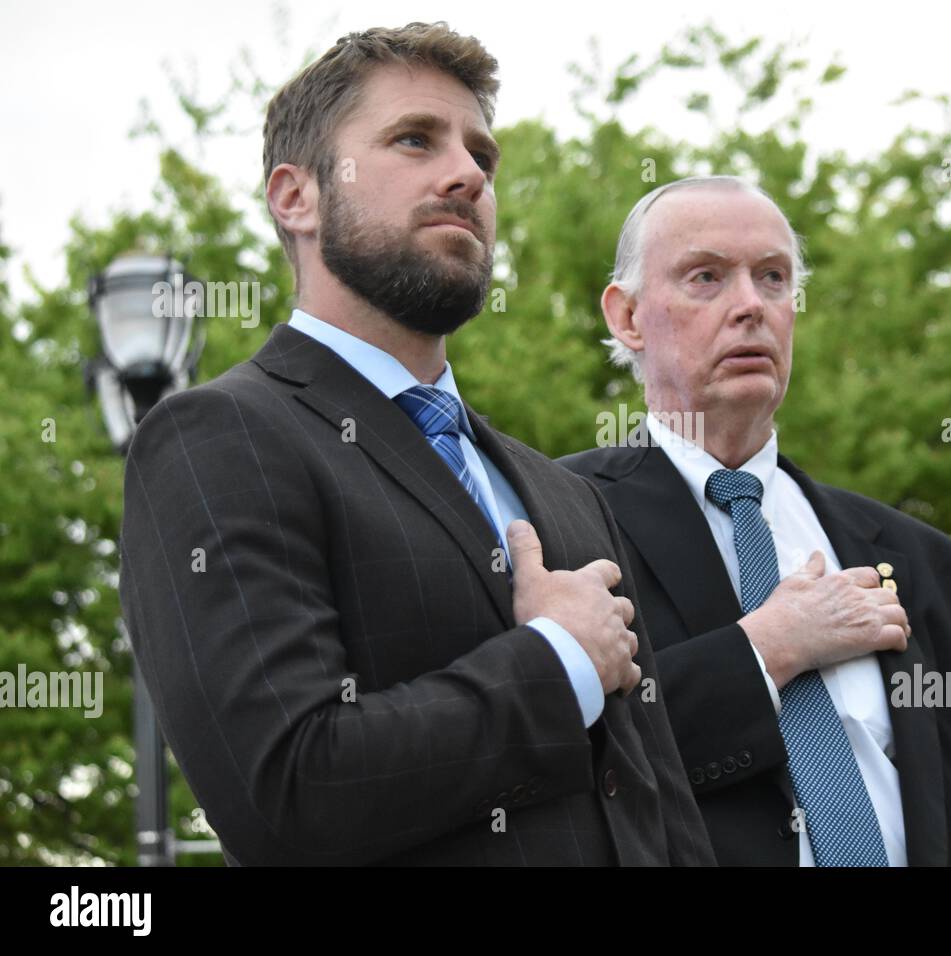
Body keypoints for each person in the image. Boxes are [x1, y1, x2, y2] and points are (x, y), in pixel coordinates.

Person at [118, 22, 714, 867]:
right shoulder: (217, 439)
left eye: (483, 156)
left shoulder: (567, 495)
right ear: (297, 197)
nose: (468, 173)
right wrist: (555, 663)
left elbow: (659, 804)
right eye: (413, 140)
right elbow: (286, 791)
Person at [560, 176, 951, 866]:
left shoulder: (929, 564)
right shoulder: (555, 514)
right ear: (627, 316)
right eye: (707, 277)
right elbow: (565, 760)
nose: (751, 305)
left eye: (774, 278)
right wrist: (767, 649)